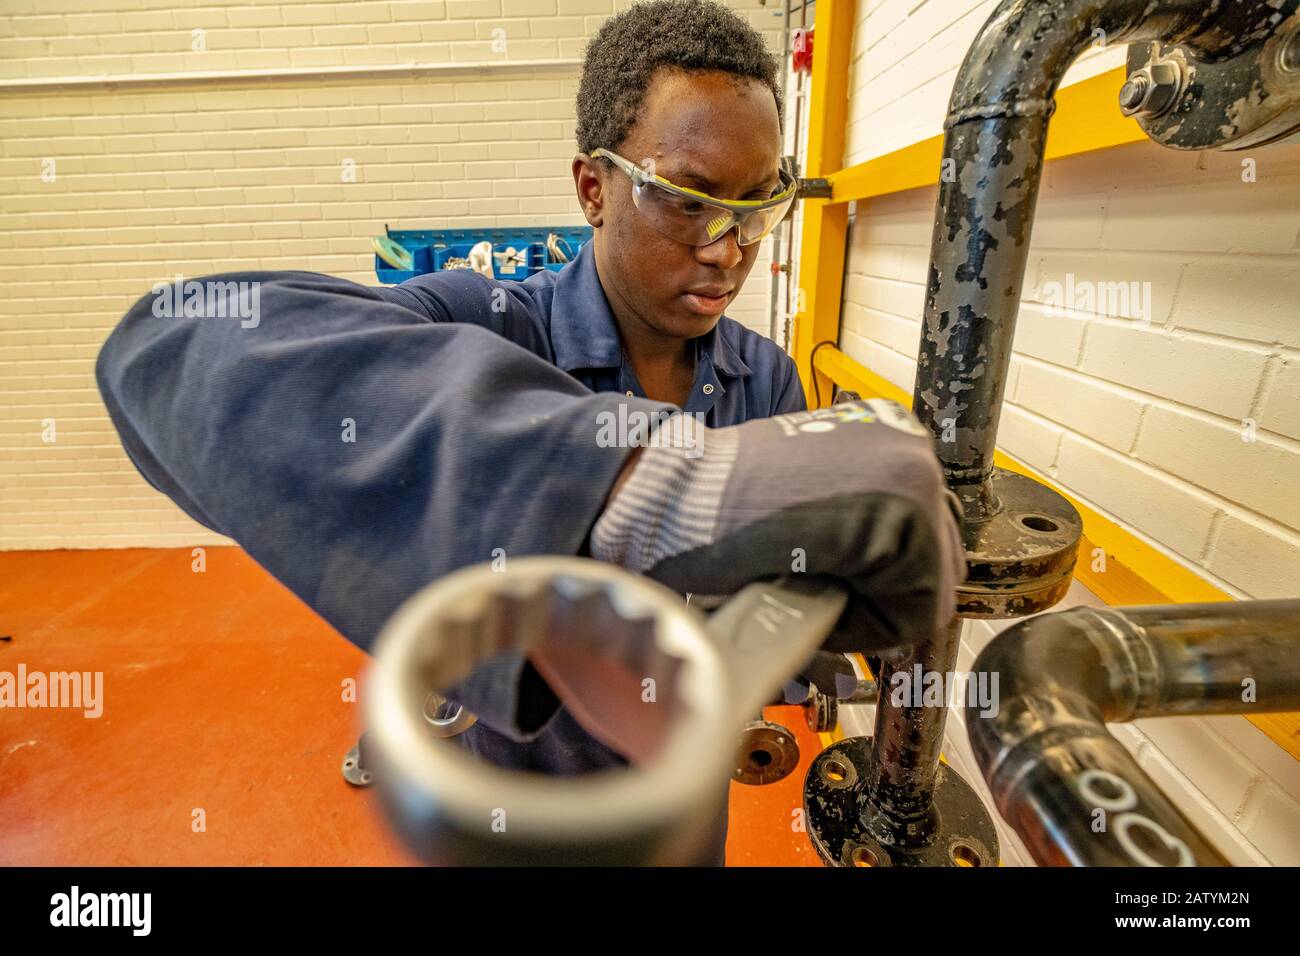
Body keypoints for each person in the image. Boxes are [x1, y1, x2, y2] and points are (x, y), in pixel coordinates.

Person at [96, 0, 964, 865]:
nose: (728, 247)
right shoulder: (491, 325)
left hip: (683, 829)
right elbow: (163, 347)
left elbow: (767, 606)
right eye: (686, 199)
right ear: (594, 187)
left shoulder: (763, 376)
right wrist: (656, 485)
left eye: (754, 207)